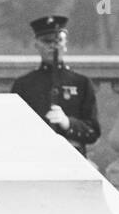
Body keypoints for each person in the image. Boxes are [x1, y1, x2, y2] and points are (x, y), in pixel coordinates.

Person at [10, 15, 100, 155]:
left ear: (65, 44)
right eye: (47, 41)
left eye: (58, 41)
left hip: (72, 159)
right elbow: (13, 130)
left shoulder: (81, 83)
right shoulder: (23, 85)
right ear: (36, 44)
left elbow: (93, 131)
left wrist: (68, 123)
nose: (53, 46)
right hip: (35, 158)